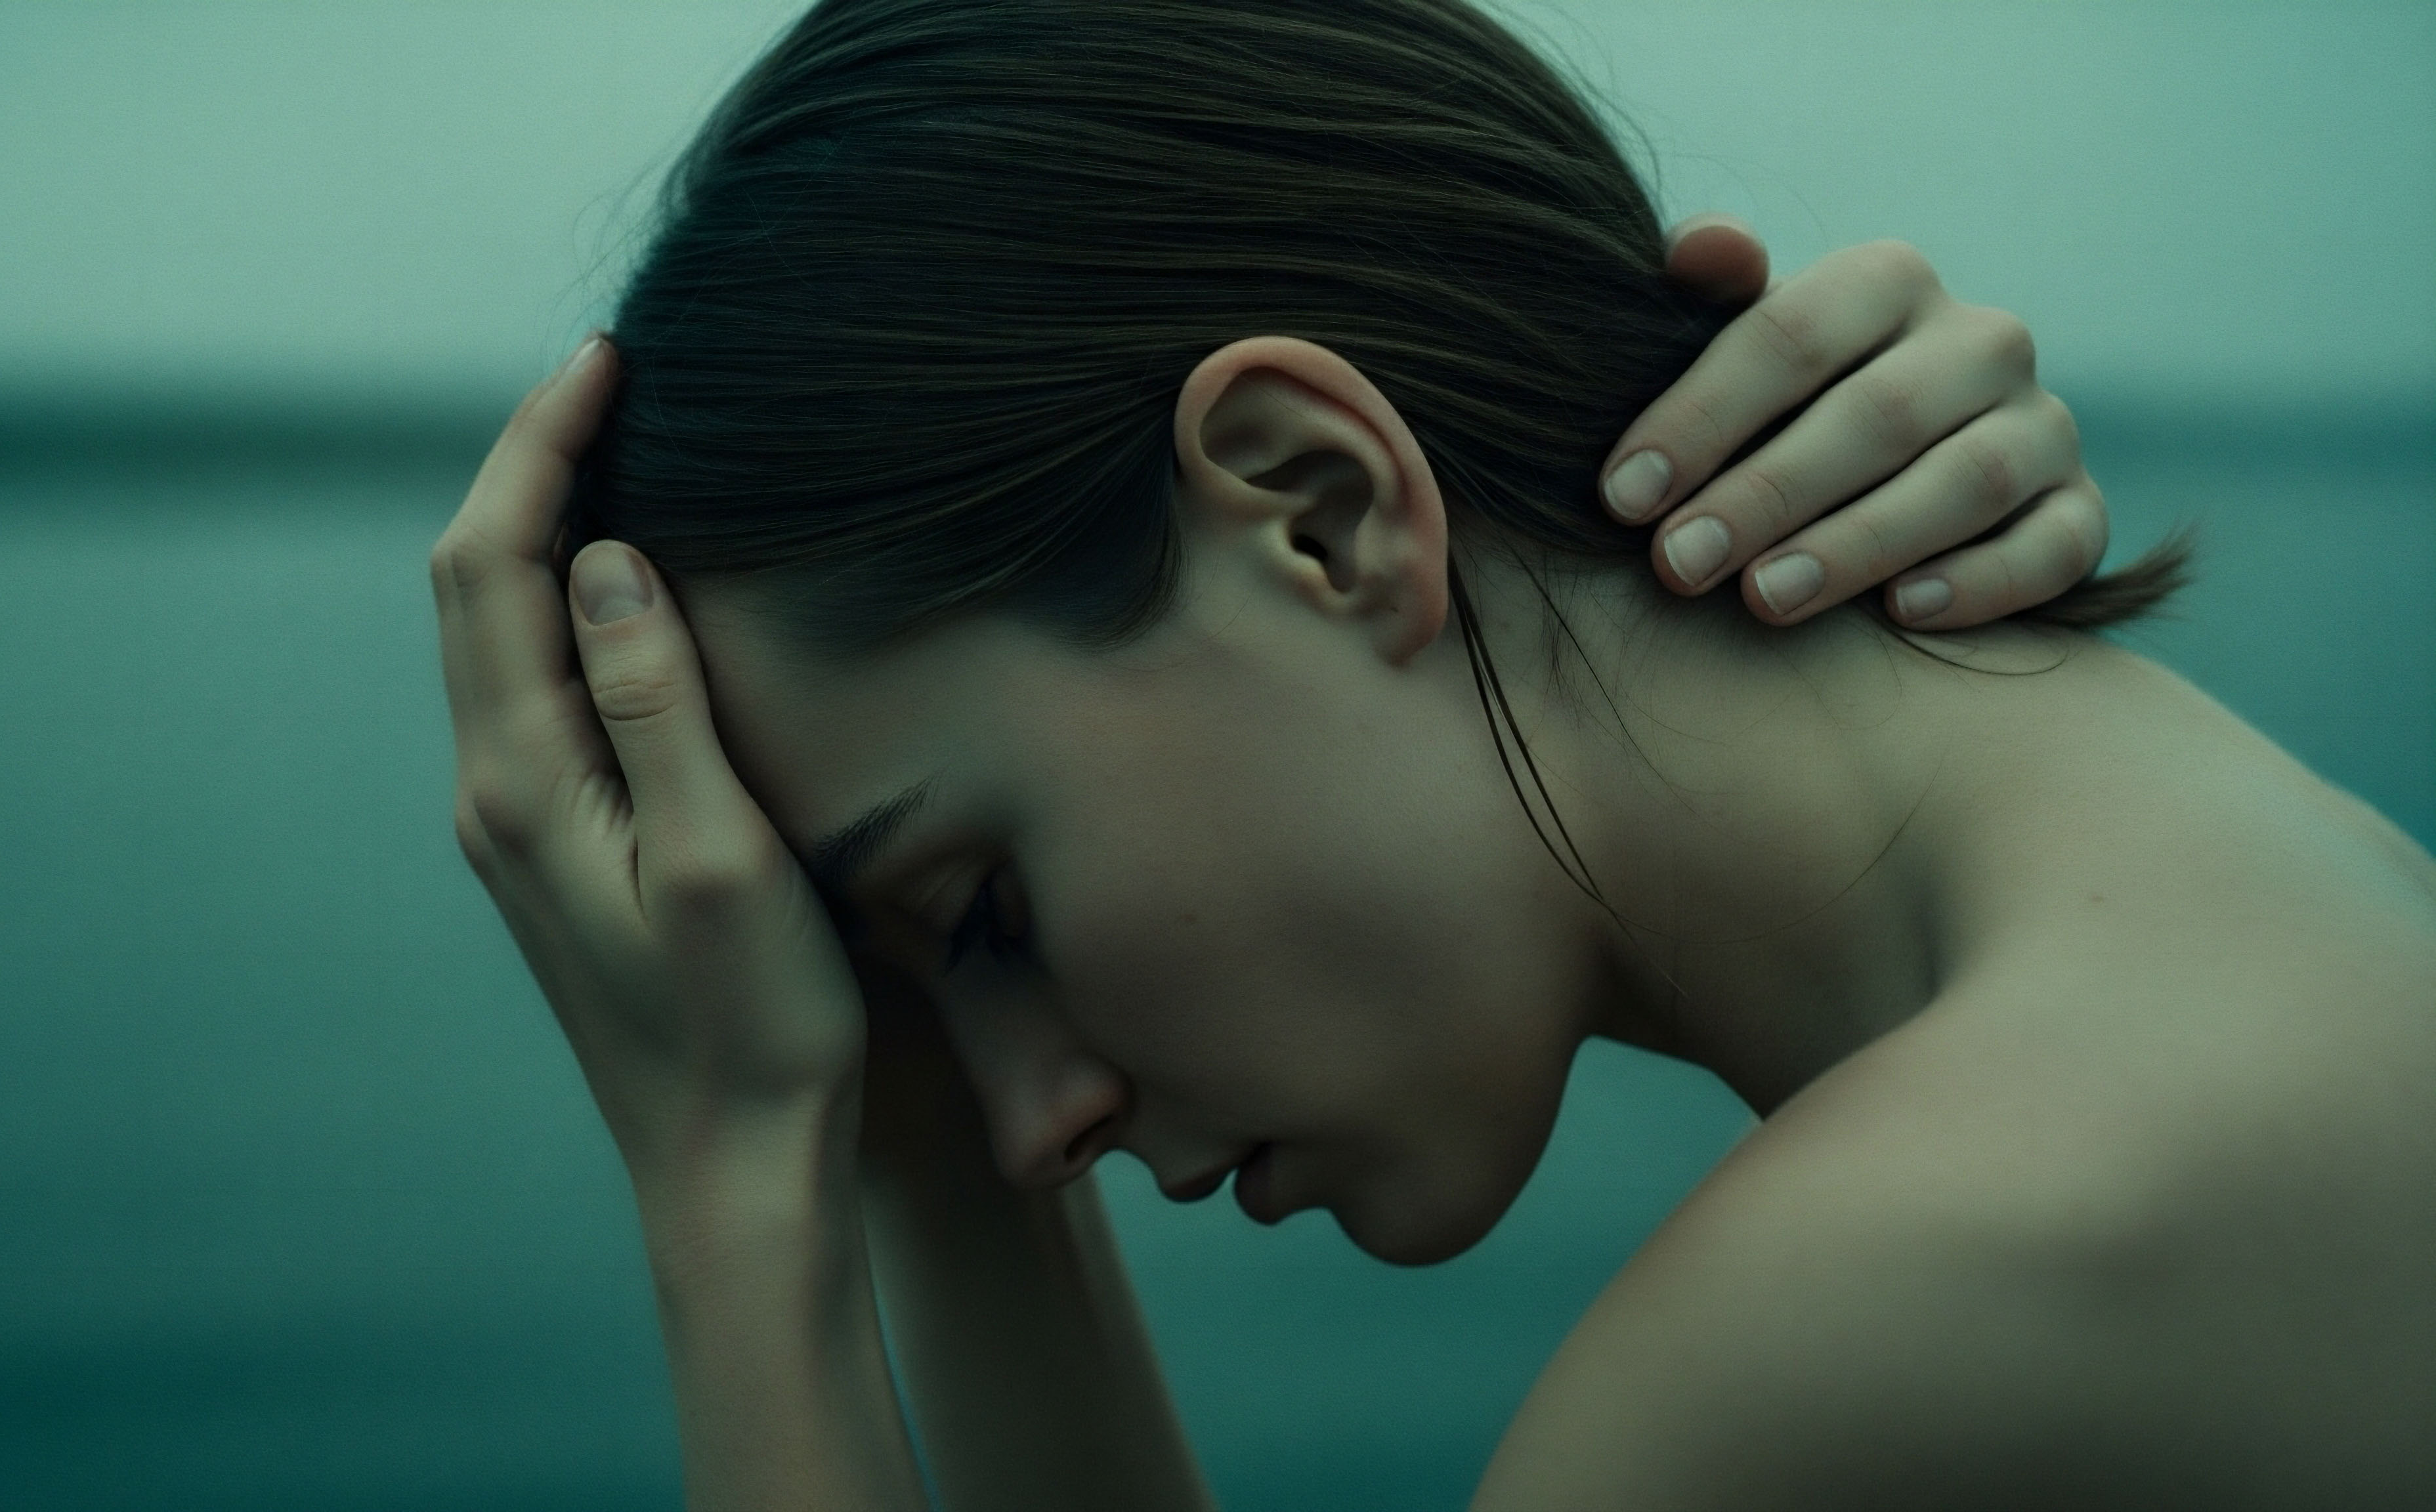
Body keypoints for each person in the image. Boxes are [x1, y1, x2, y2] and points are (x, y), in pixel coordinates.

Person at [431, 1, 2436, 1506]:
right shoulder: (2259, 914)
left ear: (1318, 513)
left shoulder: (1888, 1303)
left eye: (983, 917)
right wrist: (919, 1144)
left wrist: (733, 1198)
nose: (1032, 1121)